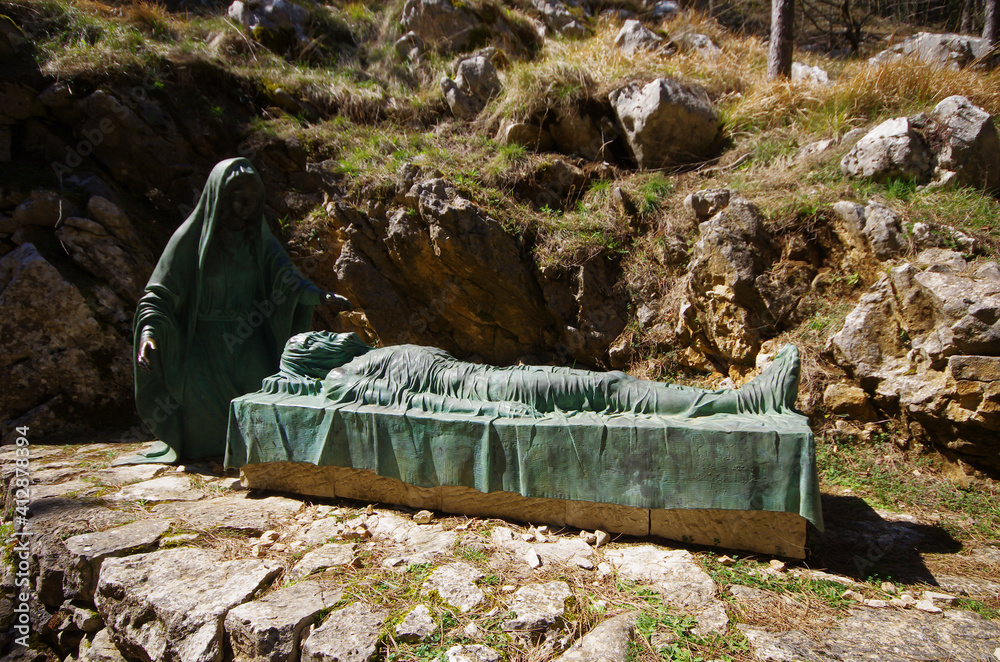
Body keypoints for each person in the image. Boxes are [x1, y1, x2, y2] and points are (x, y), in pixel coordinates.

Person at [119, 158, 351, 465]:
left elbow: (288, 281)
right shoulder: (189, 241)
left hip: (248, 339)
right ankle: (206, 448)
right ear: (219, 197)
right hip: (203, 345)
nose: (246, 202)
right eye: (237, 193)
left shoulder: (259, 242)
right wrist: (149, 333)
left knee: (260, 399)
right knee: (201, 413)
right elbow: (159, 294)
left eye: (253, 195)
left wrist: (318, 295)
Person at [262, 331, 803, 419]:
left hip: (492, 376)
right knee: (607, 391)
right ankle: (742, 404)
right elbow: (418, 407)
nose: (324, 335)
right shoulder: (340, 382)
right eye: (310, 342)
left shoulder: (373, 349)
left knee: (607, 388)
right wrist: (489, 410)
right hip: (490, 393)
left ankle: (738, 402)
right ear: (306, 360)